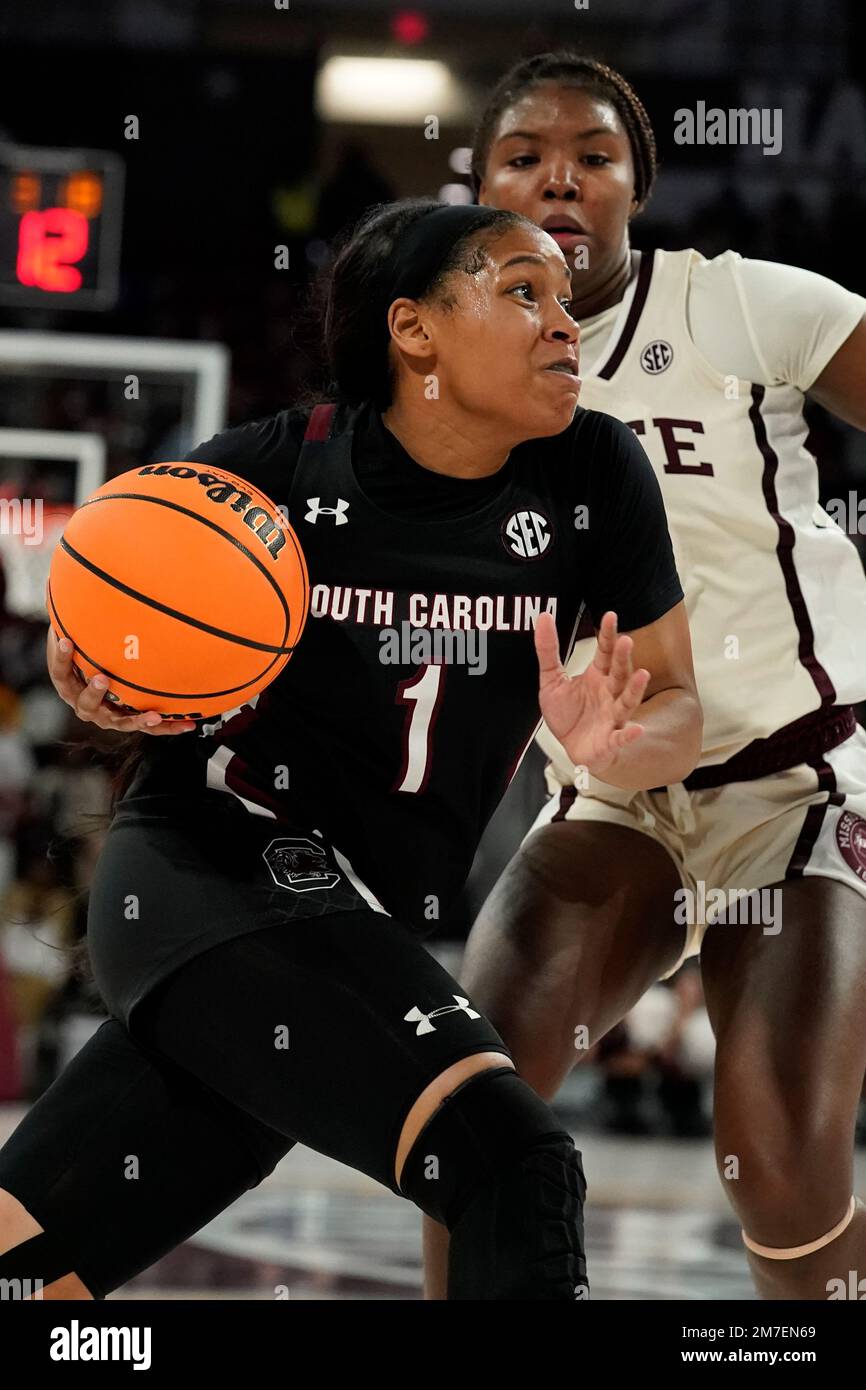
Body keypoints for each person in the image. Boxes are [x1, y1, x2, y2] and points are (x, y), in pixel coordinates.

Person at [0, 197, 701, 1301]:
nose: (565, 322)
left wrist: (612, 745)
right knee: (512, 1164)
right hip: (216, 870)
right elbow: (95, 614)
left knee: (32, 1270)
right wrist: (88, 671)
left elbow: (675, 710)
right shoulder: (273, 471)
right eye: (522, 291)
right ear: (413, 329)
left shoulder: (596, 476)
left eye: (567, 300)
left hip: (345, 921)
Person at [422, 52, 866, 1301]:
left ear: (635, 189)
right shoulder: (444, 378)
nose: (557, 178)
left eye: (592, 158)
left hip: (799, 780)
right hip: (615, 799)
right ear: (477, 184)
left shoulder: (734, 307)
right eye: (521, 157)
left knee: (776, 1156)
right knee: (467, 1103)